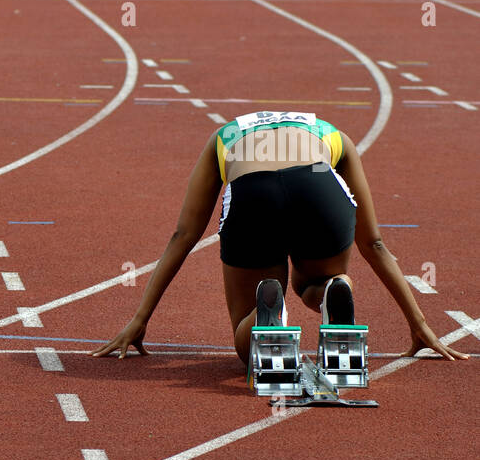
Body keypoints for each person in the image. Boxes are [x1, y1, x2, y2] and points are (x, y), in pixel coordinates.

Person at [93, 110, 465, 364]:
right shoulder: (333, 134)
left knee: (248, 335)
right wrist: (419, 325)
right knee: (316, 281)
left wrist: (140, 319)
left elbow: (184, 234)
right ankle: (333, 288)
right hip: (319, 186)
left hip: (255, 196)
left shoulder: (222, 137)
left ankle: (268, 315)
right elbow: (375, 243)